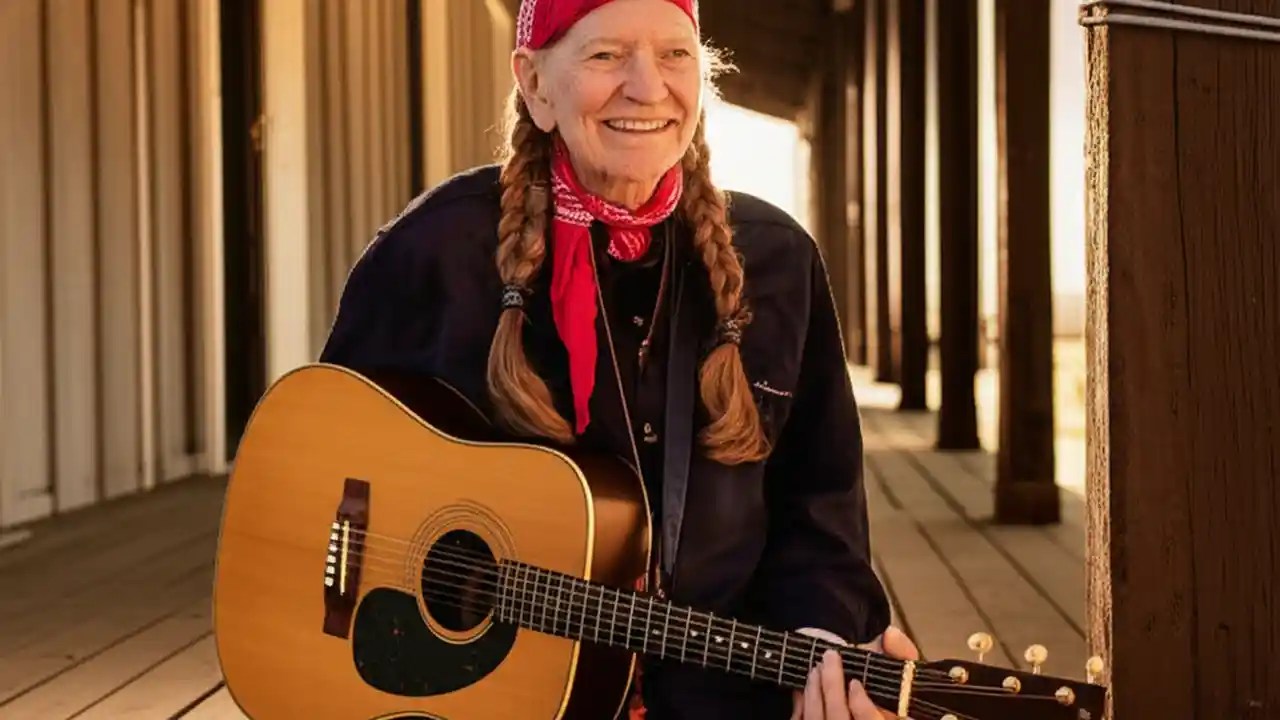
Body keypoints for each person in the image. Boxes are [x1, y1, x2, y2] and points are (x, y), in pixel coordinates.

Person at [318, 0, 918, 716]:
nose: (646, 86)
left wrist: (820, 645)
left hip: (721, 694)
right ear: (535, 84)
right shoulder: (437, 250)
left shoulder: (777, 259)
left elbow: (821, 507)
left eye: (675, 54)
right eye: (606, 56)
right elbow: (319, 462)